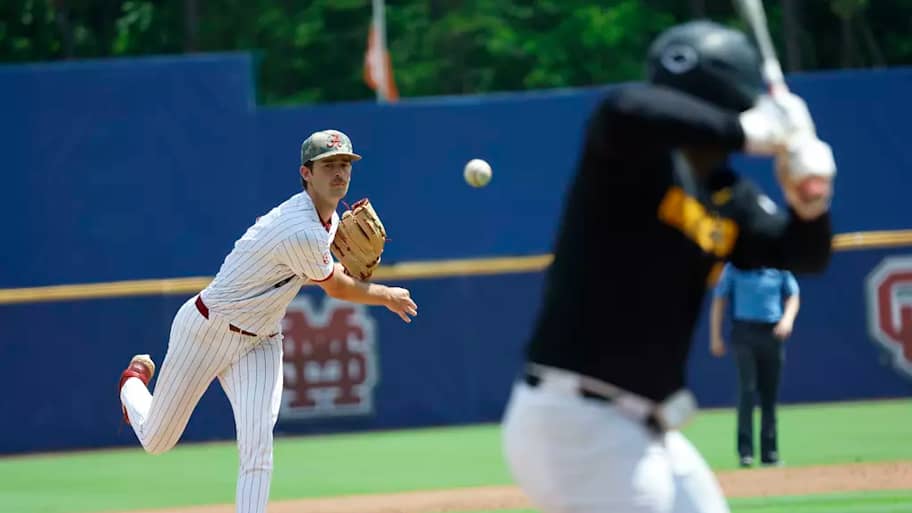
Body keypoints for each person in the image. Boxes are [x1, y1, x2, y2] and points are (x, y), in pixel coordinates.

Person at [501, 20, 835, 513]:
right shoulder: (629, 157)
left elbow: (804, 256)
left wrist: (810, 203)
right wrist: (751, 130)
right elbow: (627, 108)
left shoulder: (728, 197)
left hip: (644, 427)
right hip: (576, 422)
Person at [117, 129, 418, 513]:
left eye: (345, 164)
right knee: (158, 440)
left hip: (259, 340)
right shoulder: (302, 229)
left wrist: (339, 265)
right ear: (306, 173)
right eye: (328, 166)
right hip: (206, 330)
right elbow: (337, 288)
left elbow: (309, 270)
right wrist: (387, 294)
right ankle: (131, 385)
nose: (340, 173)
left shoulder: (323, 223)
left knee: (257, 444)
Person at [710, 263, 800, 468]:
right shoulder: (736, 266)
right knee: (747, 390)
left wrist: (787, 320)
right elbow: (719, 299)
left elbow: (793, 295)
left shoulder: (778, 267)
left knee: (769, 394)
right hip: (744, 332)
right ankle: (746, 452)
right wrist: (715, 337)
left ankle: (770, 453)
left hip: (772, 332)